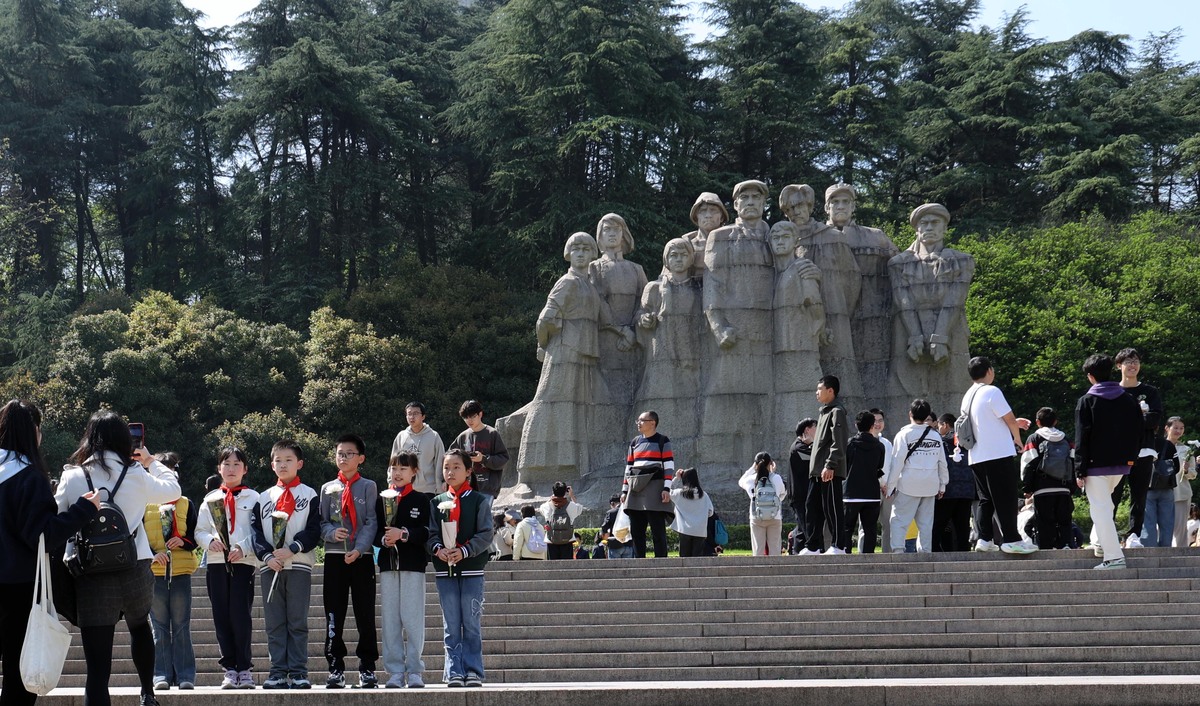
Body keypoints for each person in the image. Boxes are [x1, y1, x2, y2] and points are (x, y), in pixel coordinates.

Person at [56, 410, 181, 706]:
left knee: (97, 669)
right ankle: (147, 692)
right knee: (139, 626)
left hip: (92, 572)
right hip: (134, 565)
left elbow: (58, 518)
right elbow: (173, 491)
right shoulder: (137, 474)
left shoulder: (73, 476)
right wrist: (151, 462)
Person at [0, 400, 99, 706]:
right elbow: (42, 535)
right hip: (18, 589)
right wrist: (83, 509)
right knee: (19, 677)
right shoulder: (28, 476)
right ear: (34, 432)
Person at [519, 232, 604, 485]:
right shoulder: (567, 282)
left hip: (583, 352)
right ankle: (529, 470)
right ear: (568, 253)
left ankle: (572, 468)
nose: (580, 253)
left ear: (592, 254)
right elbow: (545, 318)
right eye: (576, 248)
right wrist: (544, 344)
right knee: (548, 402)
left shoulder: (588, 284)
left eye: (586, 249)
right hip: (565, 349)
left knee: (574, 408)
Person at [250, 440, 321, 690]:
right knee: (275, 622)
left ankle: (299, 672)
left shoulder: (310, 494)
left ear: (299, 464)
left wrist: (293, 548)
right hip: (271, 567)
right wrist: (267, 556)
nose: (283, 464)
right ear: (271, 465)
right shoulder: (263, 497)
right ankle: (278, 671)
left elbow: (314, 530)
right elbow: (256, 533)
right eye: (278, 460)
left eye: (288, 460)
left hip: (299, 565)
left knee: (297, 621)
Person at [426, 449, 493, 688]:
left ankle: (473, 670)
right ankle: (454, 671)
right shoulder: (436, 502)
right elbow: (430, 535)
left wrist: (464, 550)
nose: (450, 472)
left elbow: (486, 534)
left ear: (468, 471)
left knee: (471, 623)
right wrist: (438, 550)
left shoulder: (479, 501)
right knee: (451, 624)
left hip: (472, 569)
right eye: (446, 467)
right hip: (445, 571)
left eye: (456, 467)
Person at [319, 434, 380, 688]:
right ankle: (335, 667)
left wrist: (359, 548)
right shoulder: (327, 488)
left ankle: (367, 667)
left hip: (361, 557)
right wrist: (332, 533)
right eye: (340, 453)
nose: (343, 458)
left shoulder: (368, 486)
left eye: (349, 454)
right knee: (334, 614)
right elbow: (321, 523)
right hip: (334, 557)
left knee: (365, 613)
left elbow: (371, 521)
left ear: (361, 458)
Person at [196, 447, 259, 689]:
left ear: (245, 469)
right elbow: (200, 530)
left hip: (243, 563)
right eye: (226, 464)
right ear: (219, 468)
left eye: (236, 464)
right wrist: (208, 542)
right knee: (221, 616)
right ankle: (229, 669)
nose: (231, 469)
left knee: (240, 616)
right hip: (216, 563)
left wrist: (243, 548)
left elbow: (258, 533)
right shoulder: (210, 500)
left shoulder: (254, 498)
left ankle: (245, 669)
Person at [960, 356, 1037, 555]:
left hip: (976, 455)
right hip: (997, 453)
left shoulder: (968, 395)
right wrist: (1018, 438)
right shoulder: (991, 391)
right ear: (989, 370)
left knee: (986, 499)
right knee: (1006, 497)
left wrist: (1013, 423)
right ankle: (1011, 539)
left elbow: (986, 421)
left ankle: (984, 538)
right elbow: (1009, 418)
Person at [1075, 353, 1143, 569]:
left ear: (1090, 376)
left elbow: (1081, 436)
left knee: (1101, 509)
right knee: (1106, 505)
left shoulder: (1087, 401)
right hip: (1123, 464)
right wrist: (1131, 458)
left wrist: (1079, 468)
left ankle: (1113, 557)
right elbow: (1139, 431)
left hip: (1096, 465)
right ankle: (1102, 544)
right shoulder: (1128, 399)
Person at [374, 452, 430, 689]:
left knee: (413, 618)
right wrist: (384, 540)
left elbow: (427, 532)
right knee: (390, 621)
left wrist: (403, 534)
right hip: (388, 567)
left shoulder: (422, 500)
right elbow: (374, 531)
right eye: (394, 468)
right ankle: (395, 671)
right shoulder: (381, 499)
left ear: (414, 472)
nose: (397, 473)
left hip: (413, 566)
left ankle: (415, 670)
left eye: (403, 469)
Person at [143, 452, 199, 691]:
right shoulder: (143, 503)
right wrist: (151, 553)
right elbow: (134, 537)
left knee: (182, 625)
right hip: (154, 571)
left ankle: (186, 675)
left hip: (181, 570)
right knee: (159, 626)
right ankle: (161, 674)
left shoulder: (186, 503)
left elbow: (196, 536)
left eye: (171, 469)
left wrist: (183, 542)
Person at [1110, 348, 1163, 549]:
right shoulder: (1112, 391)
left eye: (1135, 361)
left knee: (1139, 495)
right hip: (1116, 452)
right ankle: (1108, 534)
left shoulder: (1150, 392)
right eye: (1127, 361)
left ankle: (1133, 535)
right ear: (1118, 366)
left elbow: (1155, 418)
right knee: (1112, 494)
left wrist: (1128, 420)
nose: (1132, 365)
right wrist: (1138, 417)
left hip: (1144, 450)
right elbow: (1109, 422)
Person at [885, 399, 947, 553]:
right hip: (930, 485)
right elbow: (942, 463)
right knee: (926, 523)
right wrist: (942, 484)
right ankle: (925, 552)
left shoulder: (904, 434)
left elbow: (897, 463)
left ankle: (899, 551)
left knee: (899, 520)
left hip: (908, 484)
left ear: (910, 414)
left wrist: (890, 487)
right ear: (927, 416)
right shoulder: (935, 436)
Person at [802, 375, 849, 555]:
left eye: (820, 389)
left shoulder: (837, 411)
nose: (817, 392)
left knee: (832, 509)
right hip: (817, 471)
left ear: (831, 391)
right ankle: (812, 546)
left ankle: (839, 545)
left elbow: (840, 442)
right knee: (812, 508)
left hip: (829, 471)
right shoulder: (824, 412)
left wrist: (830, 465)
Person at [1019, 408, 1076, 550]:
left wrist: (1027, 488)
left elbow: (1028, 464)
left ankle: (1046, 549)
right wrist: (1072, 486)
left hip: (1042, 488)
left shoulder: (1034, 438)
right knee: (1065, 520)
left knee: (1044, 521)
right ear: (1056, 421)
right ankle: (1066, 545)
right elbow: (1074, 461)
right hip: (1063, 488)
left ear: (1038, 422)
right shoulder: (1066, 439)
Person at [621, 410, 675, 558]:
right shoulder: (635, 442)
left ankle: (661, 562)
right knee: (637, 532)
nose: (638, 423)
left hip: (655, 489)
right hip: (635, 490)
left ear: (652, 423)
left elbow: (669, 466)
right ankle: (639, 563)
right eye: (638, 420)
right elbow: (628, 467)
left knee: (658, 531)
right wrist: (624, 490)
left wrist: (666, 488)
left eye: (642, 420)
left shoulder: (662, 441)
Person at [843, 411, 886, 554]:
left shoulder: (850, 444)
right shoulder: (880, 446)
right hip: (872, 493)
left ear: (856, 425)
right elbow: (879, 467)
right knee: (870, 529)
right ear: (872, 426)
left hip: (851, 493)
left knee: (847, 528)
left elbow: (846, 465)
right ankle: (869, 558)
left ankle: (846, 557)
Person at [448, 400, 509, 500]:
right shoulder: (462, 436)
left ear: (480, 414)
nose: (469, 420)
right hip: (466, 488)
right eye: (466, 417)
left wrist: (483, 459)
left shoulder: (492, 433)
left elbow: (503, 459)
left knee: (482, 515)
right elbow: (449, 457)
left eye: (472, 416)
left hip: (487, 488)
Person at [932, 414, 975, 552]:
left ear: (944, 425)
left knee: (938, 526)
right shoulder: (968, 442)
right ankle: (964, 555)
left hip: (947, 491)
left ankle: (935, 552)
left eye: (939, 426)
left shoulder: (941, 442)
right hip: (966, 491)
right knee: (962, 528)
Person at [390, 402, 446, 495]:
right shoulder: (401, 436)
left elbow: (440, 462)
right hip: (404, 489)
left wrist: (440, 487)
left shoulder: (434, 436)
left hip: (428, 489)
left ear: (423, 416)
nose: (412, 417)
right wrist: (391, 483)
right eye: (409, 414)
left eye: (415, 413)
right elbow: (393, 462)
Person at [739, 452, 787, 555]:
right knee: (775, 550)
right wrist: (773, 472)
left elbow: (741, 481)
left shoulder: (750, 480)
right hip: (775, 517)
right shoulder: (776, 478)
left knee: (758, 550)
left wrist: (752, 468)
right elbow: (783, 494)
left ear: (756, 464)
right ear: (771, 463)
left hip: (756, 517)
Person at [1142, 432, 1178, 548]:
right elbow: (1176, 467)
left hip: (1147, 487)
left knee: (1148, 521)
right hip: (1167, 487)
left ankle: (1150, 549)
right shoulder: (1169, 445)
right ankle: (1166, 547)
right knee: (1167, 521)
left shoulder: (1142, 443)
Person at [787, 418, 817, 553]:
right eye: (816, 427)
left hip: (804, 494)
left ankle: (796, 553)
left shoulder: (804, 447)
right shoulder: (798, 448)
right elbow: (817, 458)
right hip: (800, 496)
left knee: (801, 530)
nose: (819, 431)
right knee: (807, 528)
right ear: (807, 430)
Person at [670, 468, 714, 557]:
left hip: (684, 529)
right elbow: (711, 512)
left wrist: (676, 478)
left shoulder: (679, 494)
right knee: (697, 558)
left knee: (684, 557)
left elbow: (667, 490)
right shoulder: (704, 495)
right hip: (700, 530)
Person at [682, 191, 728, 277]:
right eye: (703, 211)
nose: (708, 215)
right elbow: (668, 276)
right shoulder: (685, 244)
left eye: (713, 210)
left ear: (721, 217)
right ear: (696, 217)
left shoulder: (731, 242)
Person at [1167, 418, 1197, 547]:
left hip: (1181, 493)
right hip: (1162, 491)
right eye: (1176, 427)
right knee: (1162, 526)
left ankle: (1180, 552)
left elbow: (1193, 474)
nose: (1179, 431)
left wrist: (1185, 470)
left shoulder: (1186, 450)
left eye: (1181, 428)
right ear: (1167, 428)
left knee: (1180, 528)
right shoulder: (1159, 446)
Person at [870, 409, 896, 553]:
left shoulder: (887, 443)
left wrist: (890, 486)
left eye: (880, 420)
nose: (877, 424)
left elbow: (892, 466)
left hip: (888, 490)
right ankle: (865, 554)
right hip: (870, 489)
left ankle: (887, 555)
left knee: (888, 524)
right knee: (867, 525)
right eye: (874, 421)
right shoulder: (862, 441)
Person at [539, 482, 583, 560]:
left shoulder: (546, 506)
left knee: (552, 566)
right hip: (567, 540)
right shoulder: (571, 506)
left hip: (551, 540)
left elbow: (541, 509)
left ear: (553, 492)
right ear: (565, 492)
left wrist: (551, 498)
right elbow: (579, 508)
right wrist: (572, 496)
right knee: (566, 567)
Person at [598, 494, 634, 559]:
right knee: (628, 567)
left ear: (612, 503)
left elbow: (604, 527)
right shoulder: (630, 511)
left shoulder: (611, 513)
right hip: (629, 544)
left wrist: (605, 535)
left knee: (614, 567)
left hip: (614, 544)